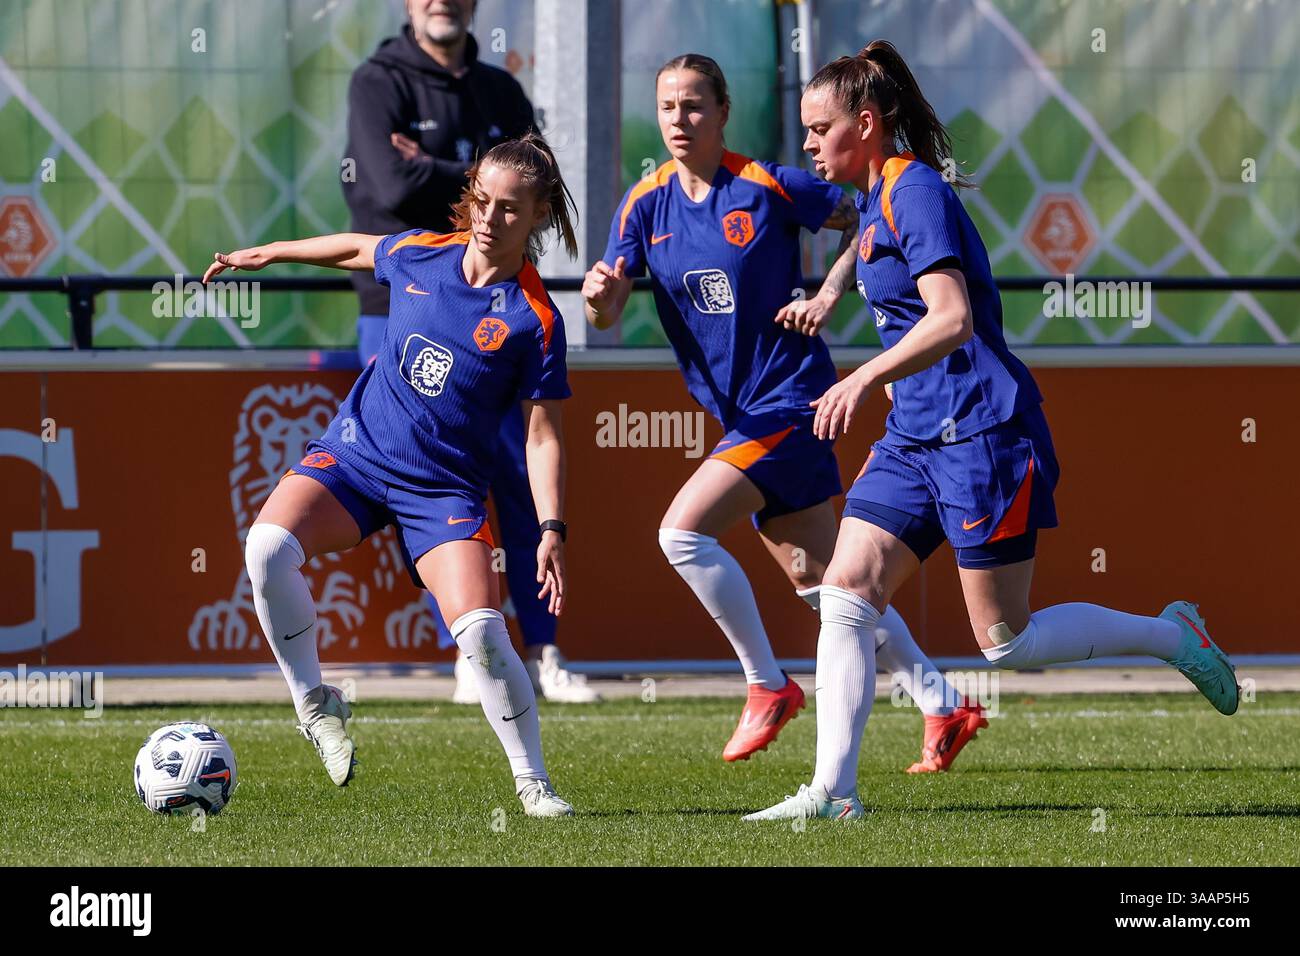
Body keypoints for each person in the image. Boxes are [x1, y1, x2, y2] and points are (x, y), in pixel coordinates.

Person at [745, 41, 1239, 821]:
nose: (805, 144)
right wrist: (832, 293)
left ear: (866, 124)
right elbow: (862, 246)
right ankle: (832, 796)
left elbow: (952, 318)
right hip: (913, 437)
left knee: (1005, 641)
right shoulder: (876, 196)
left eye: (817, 128)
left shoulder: (916, 193)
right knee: (844, 596)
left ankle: (1173, 638)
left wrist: (864, 375)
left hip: (983, 432)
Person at [583, 54, 984, 769]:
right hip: (740, 414)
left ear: (723, 111)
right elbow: (608, 311)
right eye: (669, 107)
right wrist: (597, 294)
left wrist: (829, 293)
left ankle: (768, 686)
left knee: (680, 533)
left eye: (696, 105)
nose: (680, 119)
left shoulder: (768, 185)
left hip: (791, 401)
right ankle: (942, 702)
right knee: (827, 587)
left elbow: (869, 215)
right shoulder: (644, 205)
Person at [204, 134, 581, 817]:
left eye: (511, 209)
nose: (491, 219)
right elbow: (355, 247)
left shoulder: (536, 320)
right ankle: (316, 705)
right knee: (265, 549)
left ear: (539, 218)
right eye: (484, 202)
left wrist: (551, 525)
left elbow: (543, 433)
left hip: (443, 492)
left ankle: (535, 785)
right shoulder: (422, 254)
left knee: (483, 634)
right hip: (356, 458)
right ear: (470, 198)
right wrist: (269, 253)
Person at [344, 0, 597, 703]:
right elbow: (389, 186)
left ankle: (546, 651)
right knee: (417, 480)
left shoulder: (500, 88)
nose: (443, 2)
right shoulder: (377, 81)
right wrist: (480, 174)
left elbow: (537, 180)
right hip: (404, 309)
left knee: (519, 479)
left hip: (499, 316)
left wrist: (436, 164)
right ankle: (470, 650)